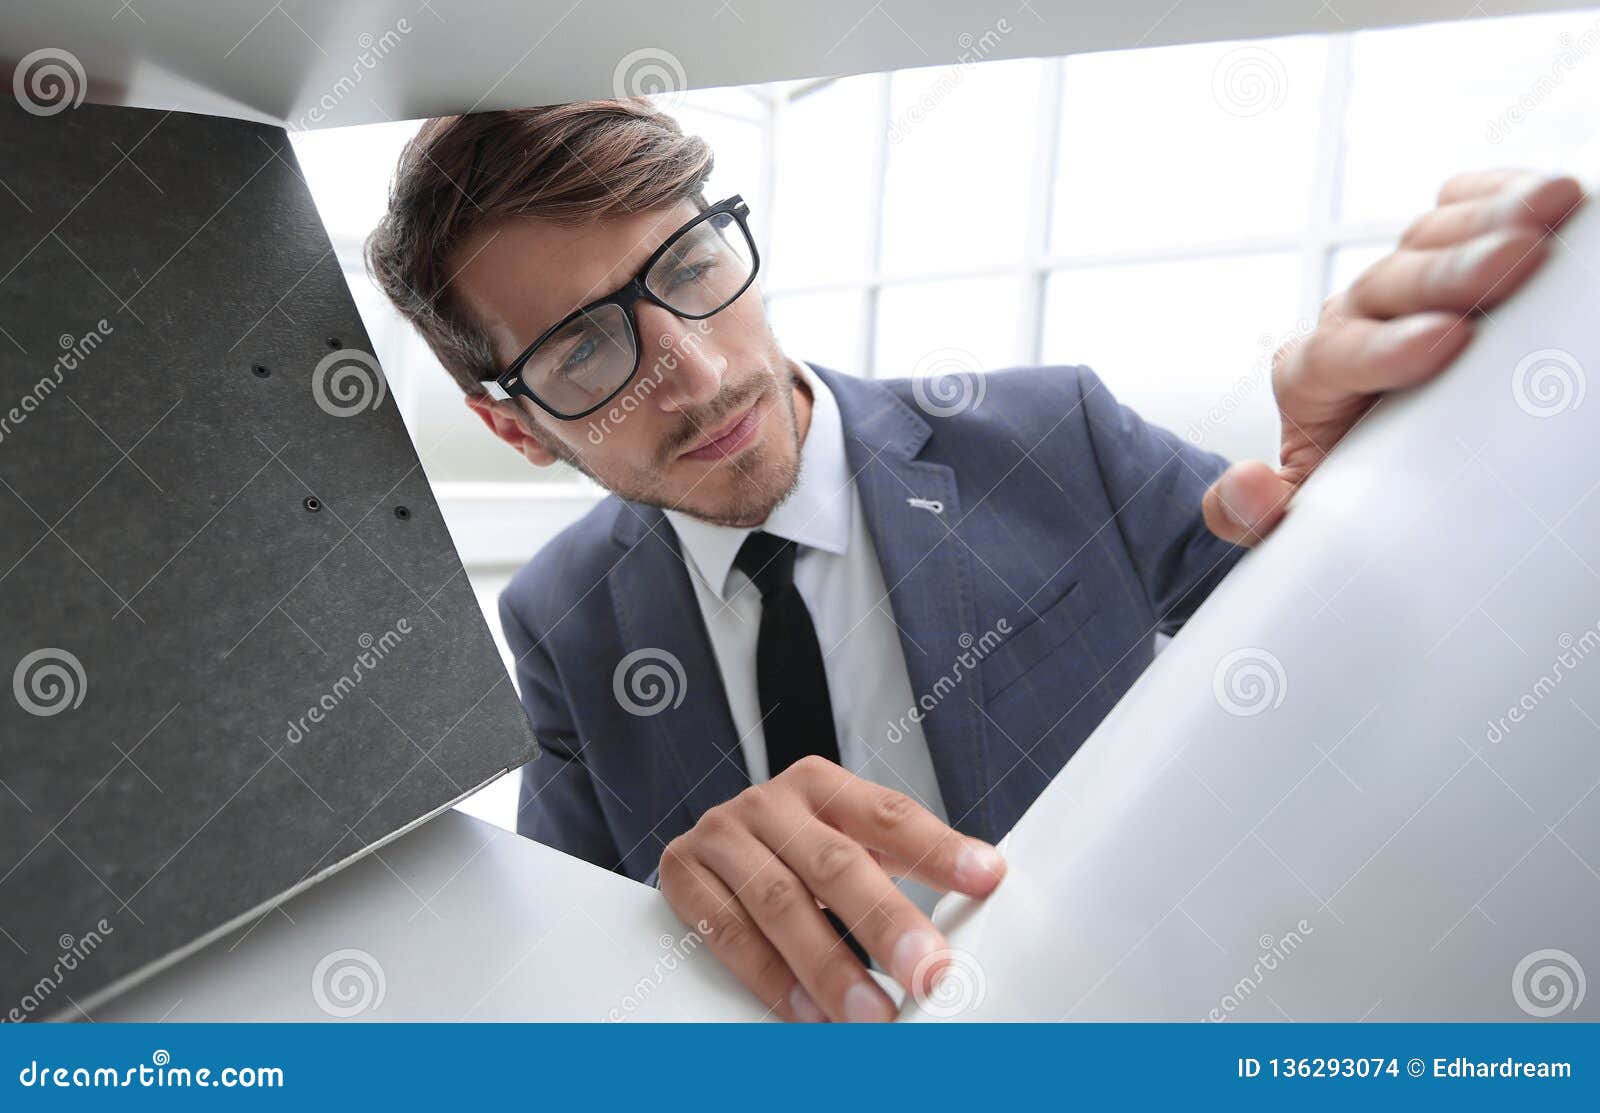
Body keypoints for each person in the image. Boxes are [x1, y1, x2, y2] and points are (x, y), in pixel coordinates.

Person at [366, 98, 1582, 1021]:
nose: (698, 371)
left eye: (687, 267)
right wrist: (672, 927)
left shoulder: (1059, 437)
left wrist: (1382, 507)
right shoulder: (559, 619)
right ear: (512, 426)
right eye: (586, 351)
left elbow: (1368, 701)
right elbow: (558, 987)